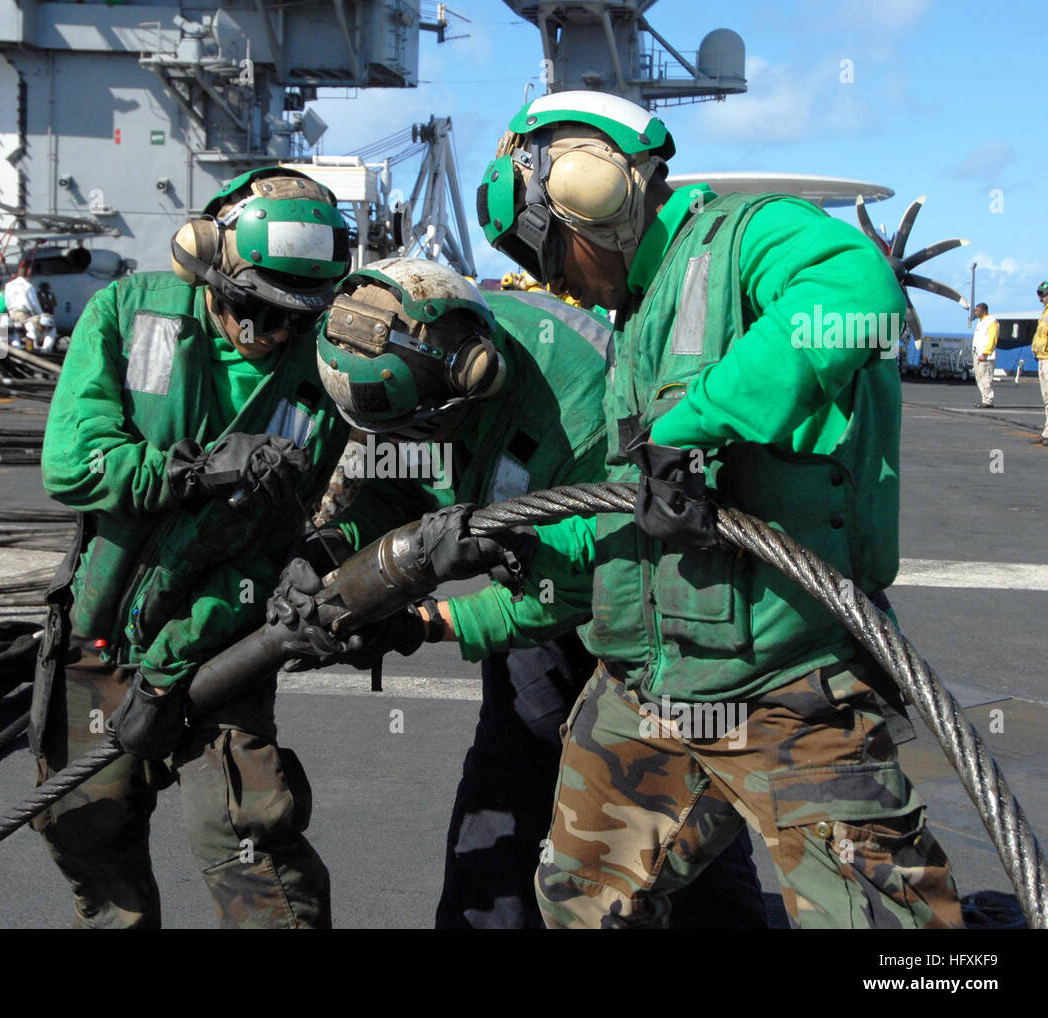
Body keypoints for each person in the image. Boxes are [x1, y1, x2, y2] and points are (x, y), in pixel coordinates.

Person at [476, 90, 962, 929]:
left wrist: (689, 428)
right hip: (649, 688)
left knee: (884, 931)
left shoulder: (747, 236)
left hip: (787, 688)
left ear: (587, 192)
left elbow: (858, 290)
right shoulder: (637, 317)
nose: (552, 280)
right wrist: (488, 569)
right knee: (580, 900)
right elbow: (624, 511)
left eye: (543, 249)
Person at [269, 257, 769, 929]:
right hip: (544, 586)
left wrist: (431, 623)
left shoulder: (584, 398)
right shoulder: (431, 380)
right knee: (511, 774)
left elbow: (591, 575)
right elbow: (396, 486)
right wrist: (330, 548)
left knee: (666, 804)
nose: (427, 444)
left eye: (433, 428)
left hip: (643, 602)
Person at [32, 165, 354, 929]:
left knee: (252, 841)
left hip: (221, 644)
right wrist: (195, 472)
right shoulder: (128, 312)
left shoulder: (317, 376)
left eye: (294, 320)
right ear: (209, 260)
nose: (273, 336)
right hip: (99, 628)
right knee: (89, 835)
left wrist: (170, 671)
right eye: (257, 311)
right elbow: (72, 466)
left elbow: (264, 551)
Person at [971, 302, 998, 408]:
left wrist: (986, 353)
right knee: (979, 377)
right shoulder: (980, 322)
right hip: (978, 354)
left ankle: (988, 401)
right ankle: (985, 399)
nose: (975, 312)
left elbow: (993, 339)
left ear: (984, 311)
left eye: (977, 310)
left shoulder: (991, 322)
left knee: (985, 378)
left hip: (985, 356)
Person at [1033, 283, 1048, 446]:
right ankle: (1046, 431)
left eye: (1042, 294)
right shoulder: (1045, 313)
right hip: (1042, 358)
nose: (1040, 297)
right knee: (1046, 397)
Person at [4, 266, 41, 331]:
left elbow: (7, 301)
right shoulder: (28, 285)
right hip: (25, 314)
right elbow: (34, 303)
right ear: (27, 274)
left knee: (17, 335)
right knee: (30, 335)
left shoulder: (8, 285)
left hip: (12, 314)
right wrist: (41, 314)